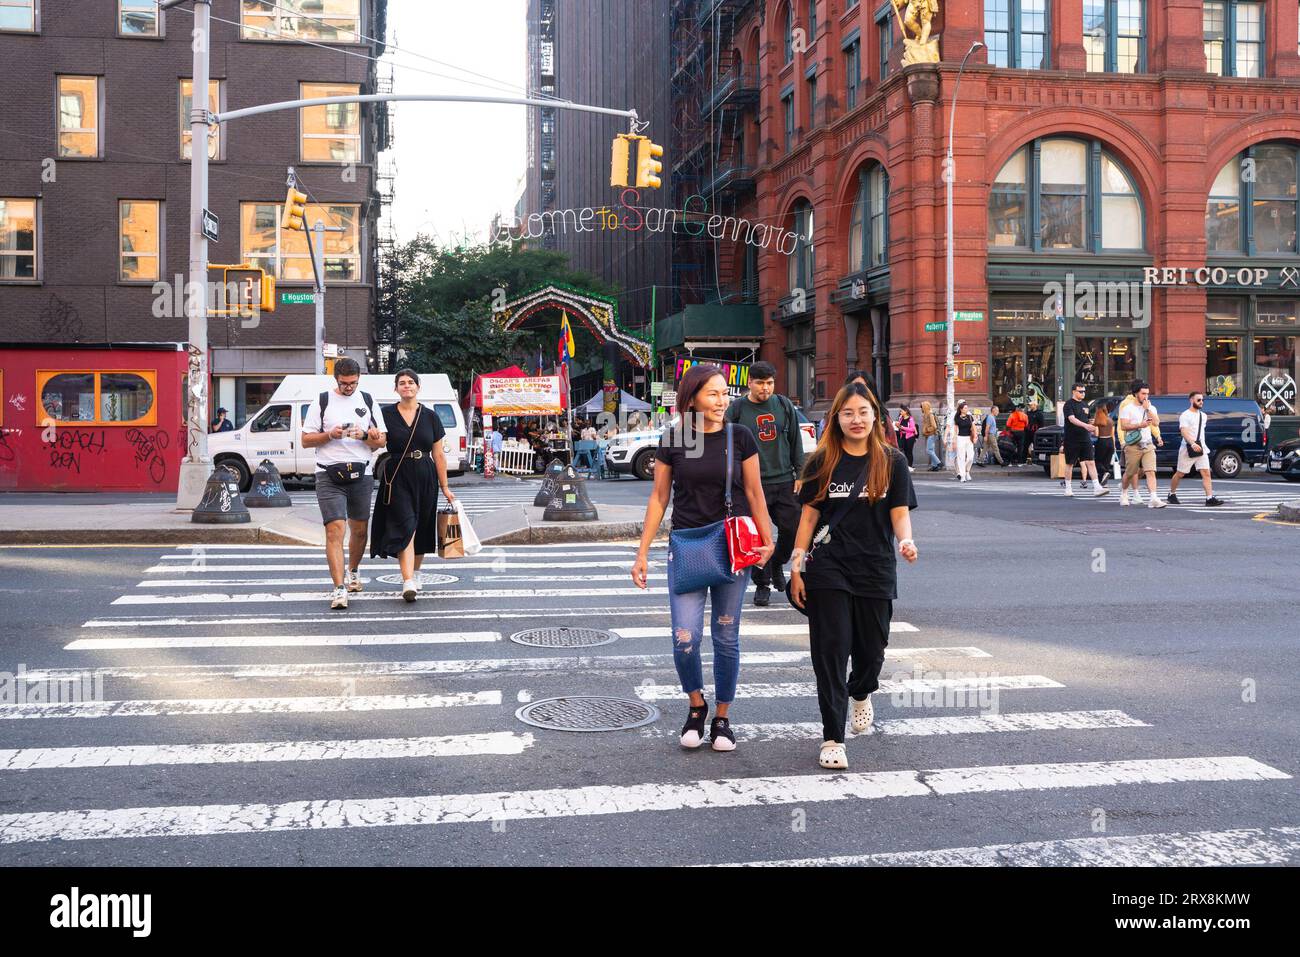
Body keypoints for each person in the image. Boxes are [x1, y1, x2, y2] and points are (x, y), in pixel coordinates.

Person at [631, 364, 775, 753]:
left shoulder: (739, 436)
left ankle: (723, 718)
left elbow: (754, 492)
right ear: (691, 397)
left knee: (726, 636)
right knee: (685, 639)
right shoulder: (675, 438)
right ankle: (697, 706)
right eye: (712, 393)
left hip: (732, 550)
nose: (721, 399)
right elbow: (659, 498)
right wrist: (642, 552)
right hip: (687, 546)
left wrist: (768, 539)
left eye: (725, 392)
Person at [788, 383, 918, 770]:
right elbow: (809, 517)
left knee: (871, 652)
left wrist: (906, 541)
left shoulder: (891, 461)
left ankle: (862, 691)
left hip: (875, 566)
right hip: (829, 568)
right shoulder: (821, 461)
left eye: (862, 412)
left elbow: (899, 512)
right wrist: (796, 567)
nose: (856, 419)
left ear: (875, 415)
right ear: (836, 419)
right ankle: (832, 737)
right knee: (830, 652)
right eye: (848, 413)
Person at [301, 357, 386, 610]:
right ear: (335, 379)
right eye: (344, 383)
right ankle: (339, 589)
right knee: (334, 530)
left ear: (359, 379)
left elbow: (380, 442)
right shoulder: (322, 400)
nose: (349, 387)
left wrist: (367, 436)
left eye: (353, 383)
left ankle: (354, 570)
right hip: (328, 474)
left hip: (361, 473)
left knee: (360, 530)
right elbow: (306, 440)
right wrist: (329, 435)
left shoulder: (368, 400)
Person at [370, 369, 457, 601]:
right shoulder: (386, 414)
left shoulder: (430, 416)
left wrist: (446, 487)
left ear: (418, 387)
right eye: (402, 383)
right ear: (396, 388)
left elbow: (439, 455)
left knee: (422, 525)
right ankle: (407, 580)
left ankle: (415, 572)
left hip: (426, 475)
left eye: (410, 382)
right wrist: (371, 436)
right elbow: (376, 444)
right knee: (406, 524)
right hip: (397, 474)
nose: (406, 386)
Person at [725, 361, 804, 608]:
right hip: (750, 483)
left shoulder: (783, 404)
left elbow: (795, 440)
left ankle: (777, 561)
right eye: (760, 383)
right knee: (758, 536)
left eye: (769, 383)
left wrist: (800, 472)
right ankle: (762, 583)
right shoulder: (737, 409)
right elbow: (724, 441)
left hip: (783, 479)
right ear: (750, 382)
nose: (765, 388)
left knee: (792, 529)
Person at [1168, 392, 1224, 507]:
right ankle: (1171, 493)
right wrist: (1192, 443)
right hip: (1187, 448)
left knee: (1206, 473)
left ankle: (1209, 498)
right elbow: (1183, 431)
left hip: (1201, 448)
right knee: (1180, 473)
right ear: (1191, 400)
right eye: (1198, 400)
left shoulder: (1203, 416)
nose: (1201, 402)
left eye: (1202, 400)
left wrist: (1197, 444)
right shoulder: (1185, 415)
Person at [1117, 380, 1166, 508]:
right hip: (1133, 445)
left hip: (1148, 444)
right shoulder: (1127, 408)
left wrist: (1148, 409)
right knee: (1129, 472)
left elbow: (1156, 423)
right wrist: (1140, 425)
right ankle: (1124, 493)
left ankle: (1154, 498)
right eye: (1143, 393)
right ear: (1136, 393)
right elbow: (1123, 426)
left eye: (1147, 394)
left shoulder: (1151, 407)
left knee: (1151, 471)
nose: (1146, 396)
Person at [1062, 384, 1107, 497]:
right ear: (1073, 392)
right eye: (1080, 391)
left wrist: (1091, 424)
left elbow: (1086, 420)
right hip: (1072, 438)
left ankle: (1097, 487)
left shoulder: (1085, 404)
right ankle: (1068, 488)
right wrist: (1086, 426)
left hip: (1085, 438)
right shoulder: (1068, 404)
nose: (1083, 393)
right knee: (1070, 464)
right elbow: (1072, 419)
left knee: (1090, 462)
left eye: (1084, 391)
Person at [1092, 401, 1117, 488]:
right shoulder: (1110, 420)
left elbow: (1096, 434)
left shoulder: (1098, 421)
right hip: (1110, 441)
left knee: (1098, 461)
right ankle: (1104, 483)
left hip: (1102, 441)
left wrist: (1092, 427)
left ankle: (1105, 473)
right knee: (1106, 462)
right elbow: (1113, 434)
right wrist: (1114, 446)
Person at [950, 400, 975, 481]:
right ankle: (963, 476)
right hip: (960, 438)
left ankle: (967, 471)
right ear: (961, 409)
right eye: (965, 408)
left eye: (967, 408)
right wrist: (954, 441)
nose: (967, 409)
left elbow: (973, 427)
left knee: (970, 457)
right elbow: (955, 430)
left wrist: (975, 436)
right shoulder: (956, 418)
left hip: (969, 438)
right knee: (961, 457)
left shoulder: (970, 417)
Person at [921, 399, 942, 470]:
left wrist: (926, 430)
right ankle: (934, 466)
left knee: (929, 450)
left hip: (932, 434)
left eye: (922, 407)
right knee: (931, 450)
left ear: (925, 407)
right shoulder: (926, 415)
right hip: (930, 435)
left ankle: (938, 463)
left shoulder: (930, 415)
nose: (921, 409)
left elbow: (934, 426)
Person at [896, 406, 918, 470]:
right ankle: (906, 465)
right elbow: (899, 427)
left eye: (901, 411)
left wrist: (902, 427)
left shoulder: (910, 419)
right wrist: (897, 426)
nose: (900, 412)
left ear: (906, 411)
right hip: (902, 436)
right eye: (900, 411)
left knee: (909, 451)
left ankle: (910, 466)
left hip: (910, 437)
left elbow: (912, 429)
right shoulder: (900, 418)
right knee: (903, 451)